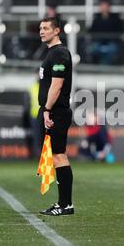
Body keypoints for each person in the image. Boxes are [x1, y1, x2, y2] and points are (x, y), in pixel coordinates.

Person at [37, 16, 75, 216]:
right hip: (52, 110)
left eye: (45, 28)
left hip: (56, 112)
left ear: (57, 30)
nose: (42, 31)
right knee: (55, 156)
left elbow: (57, 84)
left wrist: (47, 110)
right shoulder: (51, 53)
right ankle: (63, 203)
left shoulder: (59, 53)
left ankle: (66, 204)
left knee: (59, 155)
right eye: (40, 28)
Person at [88, 0, 124, 65]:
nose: (104, 8)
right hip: (98, 42)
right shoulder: (96, 19)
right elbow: (91, 31)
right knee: (92, 49)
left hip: (112, 42)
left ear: (109, 7)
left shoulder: (116, 19)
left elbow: (120, 31)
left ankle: (106, 68)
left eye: (105, 6)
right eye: (102, 6)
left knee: (112, 49)